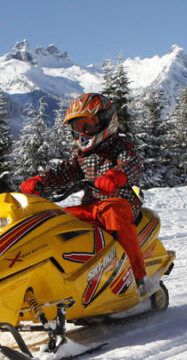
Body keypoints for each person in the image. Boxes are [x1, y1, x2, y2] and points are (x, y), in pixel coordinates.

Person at [19, 92, 154, 296]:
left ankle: (137, 278)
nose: (83, 133)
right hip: (92, 206)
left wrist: (116, 176)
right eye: (78, 127)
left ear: (107, 121)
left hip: (121, 202)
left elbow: (131, 164)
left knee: (113, 214)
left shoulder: (122, 145)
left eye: (88, 125)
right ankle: (69, 278)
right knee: (58, 220)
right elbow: (64, 171)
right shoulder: (82, 156)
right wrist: (41, 180)